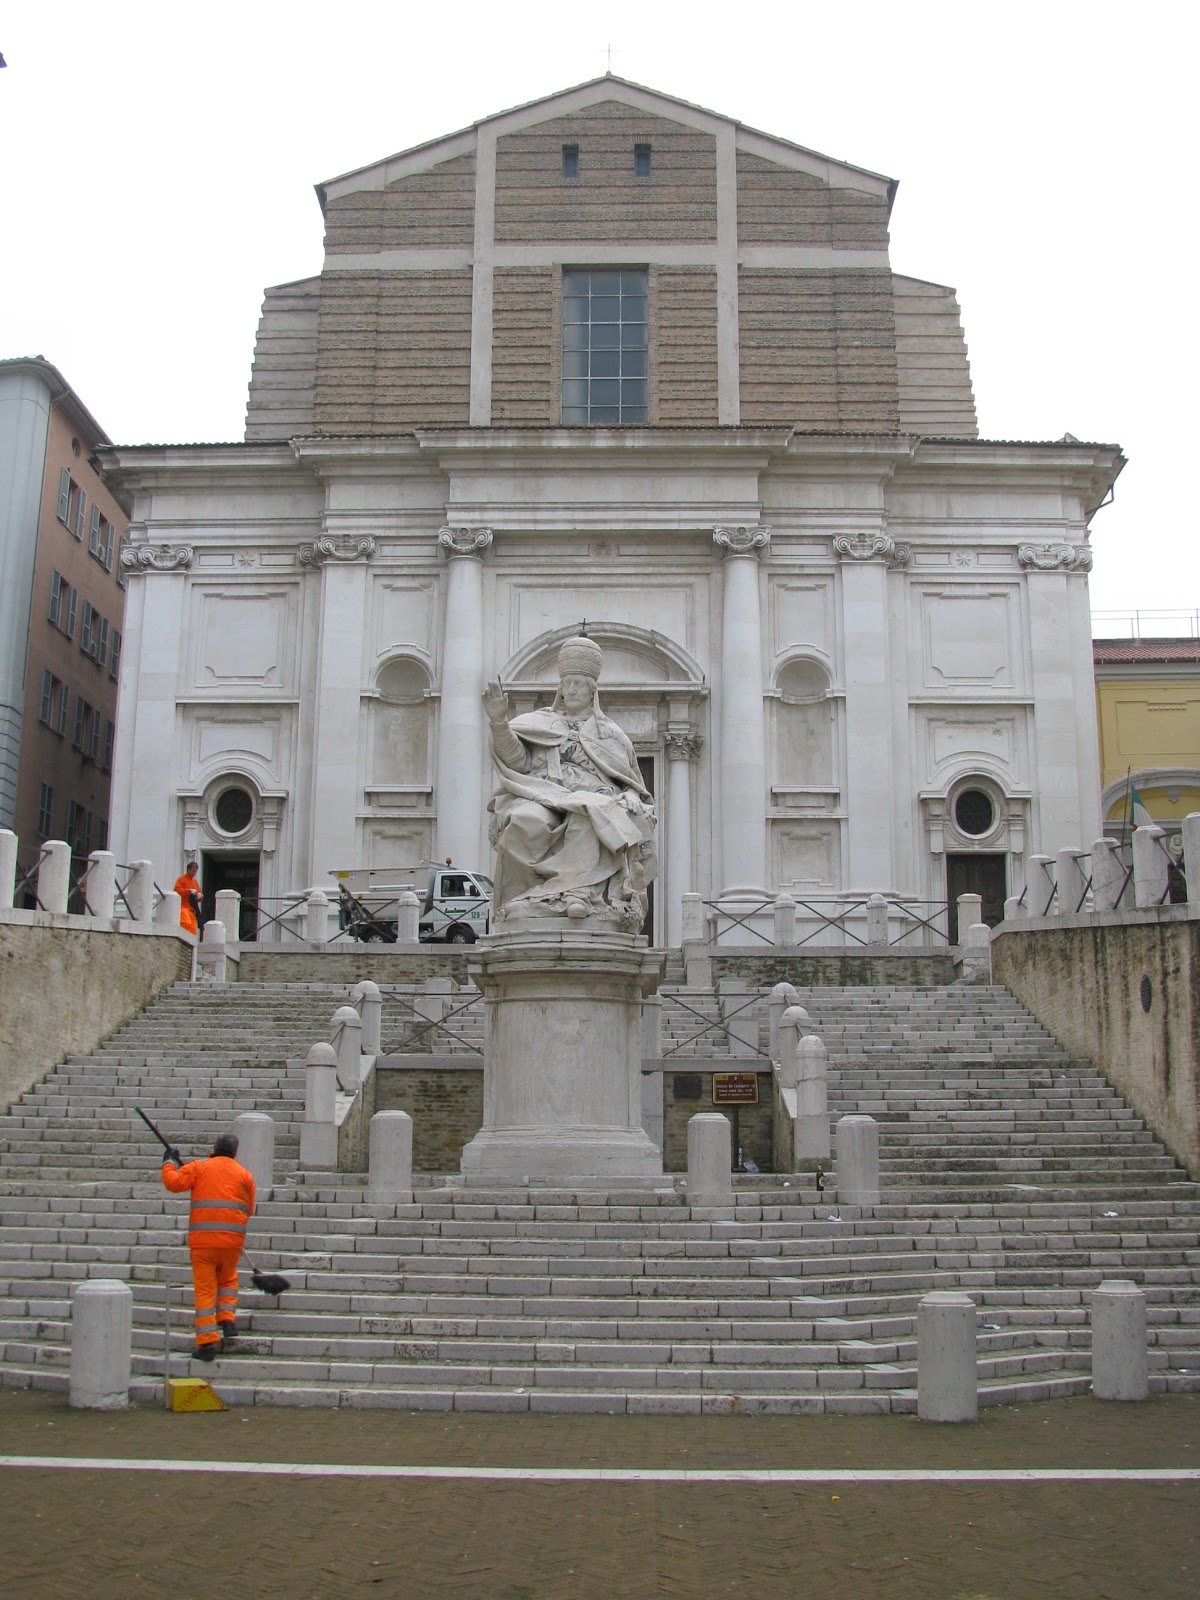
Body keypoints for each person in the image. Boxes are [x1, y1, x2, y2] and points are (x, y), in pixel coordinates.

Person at [482, 635, 657, 930]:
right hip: (543, 796)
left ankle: (577, 893)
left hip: (593, 800)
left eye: (579, 684)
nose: (572, 690)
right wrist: (499, 721)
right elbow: (518, 763)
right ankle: (533, 900)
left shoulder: (611, 734)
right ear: (560, 689)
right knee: (524, 820)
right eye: (568, 684)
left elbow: (632, 783)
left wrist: (629, 795)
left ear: (593, 692)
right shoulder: (540, 723)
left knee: (590, 815)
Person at [161, 1132, 256, 1361]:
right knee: (228, 1279)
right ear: (235, 1152)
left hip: (203, 1243)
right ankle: (227, 1318)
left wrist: (168, 1162)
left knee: (205, 1290)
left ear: (213, 1148)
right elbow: (249, 1209)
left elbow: (173, 1183)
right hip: (232, 1241)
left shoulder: (198, 1168)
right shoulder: (245, 1175)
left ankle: (206, 1344)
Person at [174, 861, 202, 936]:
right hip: (183, 907)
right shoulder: (181, 879)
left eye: (195, 871)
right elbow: (177, 891)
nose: (194, 873)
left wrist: (199, 896)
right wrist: (188, 891)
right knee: (185, 924)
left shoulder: (195, 882)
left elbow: (199, 894)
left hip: (192, 910)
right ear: (188, 869)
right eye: (193, 871)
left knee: (193, 929)